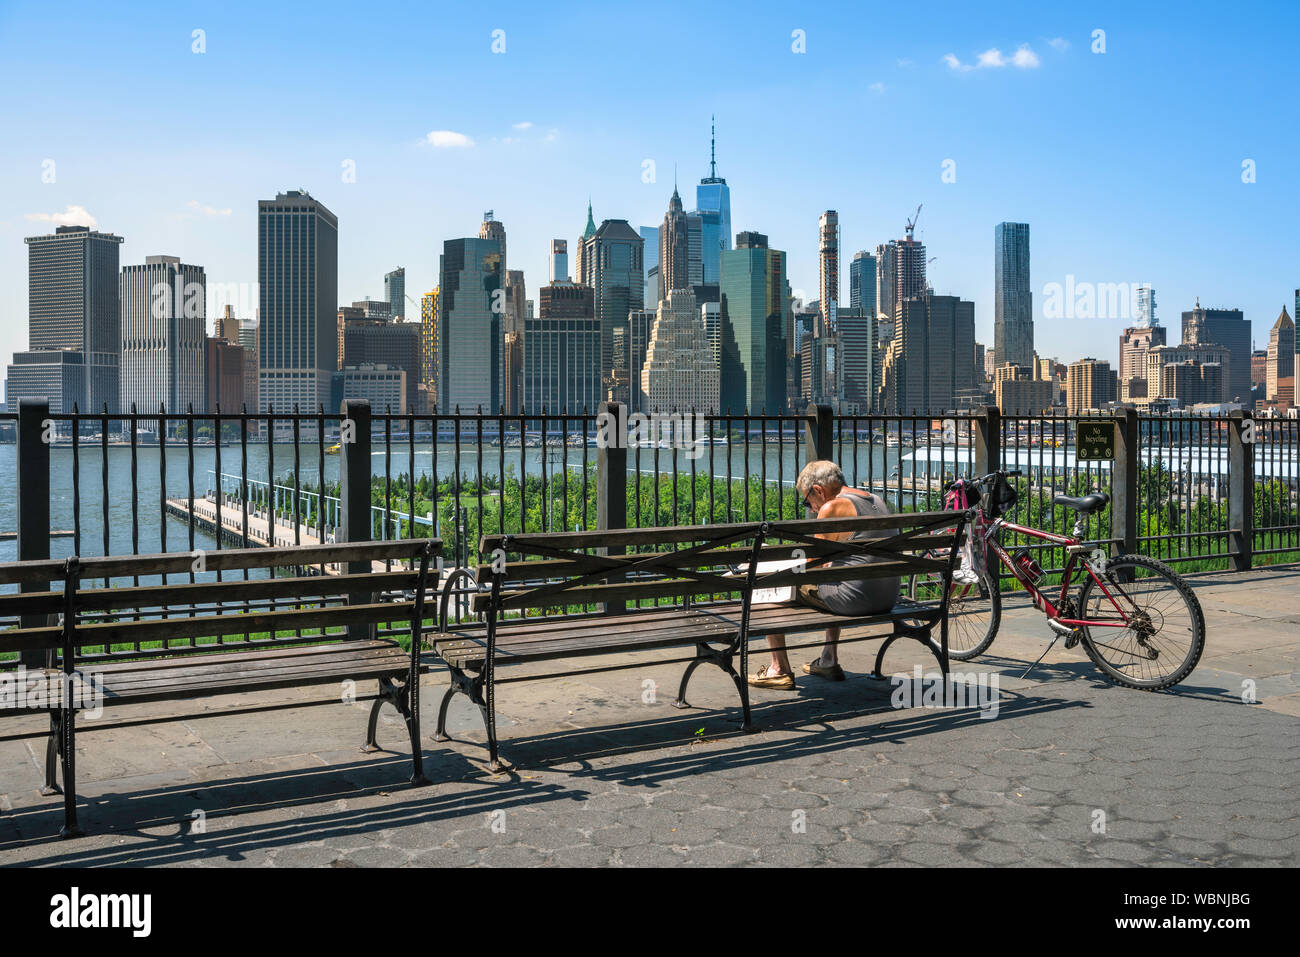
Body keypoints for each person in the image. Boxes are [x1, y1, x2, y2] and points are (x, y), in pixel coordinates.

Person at [748, 460, 901, 690]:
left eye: (807, 500)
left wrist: (780, 568)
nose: (811, 509)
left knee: (768, 584)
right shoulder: (876, 500)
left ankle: (778, 669)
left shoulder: (832, 508)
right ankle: (828, 659)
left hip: (856, 599)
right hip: (887, 598)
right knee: (834, 574)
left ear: (818, 490)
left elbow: (812, 567)